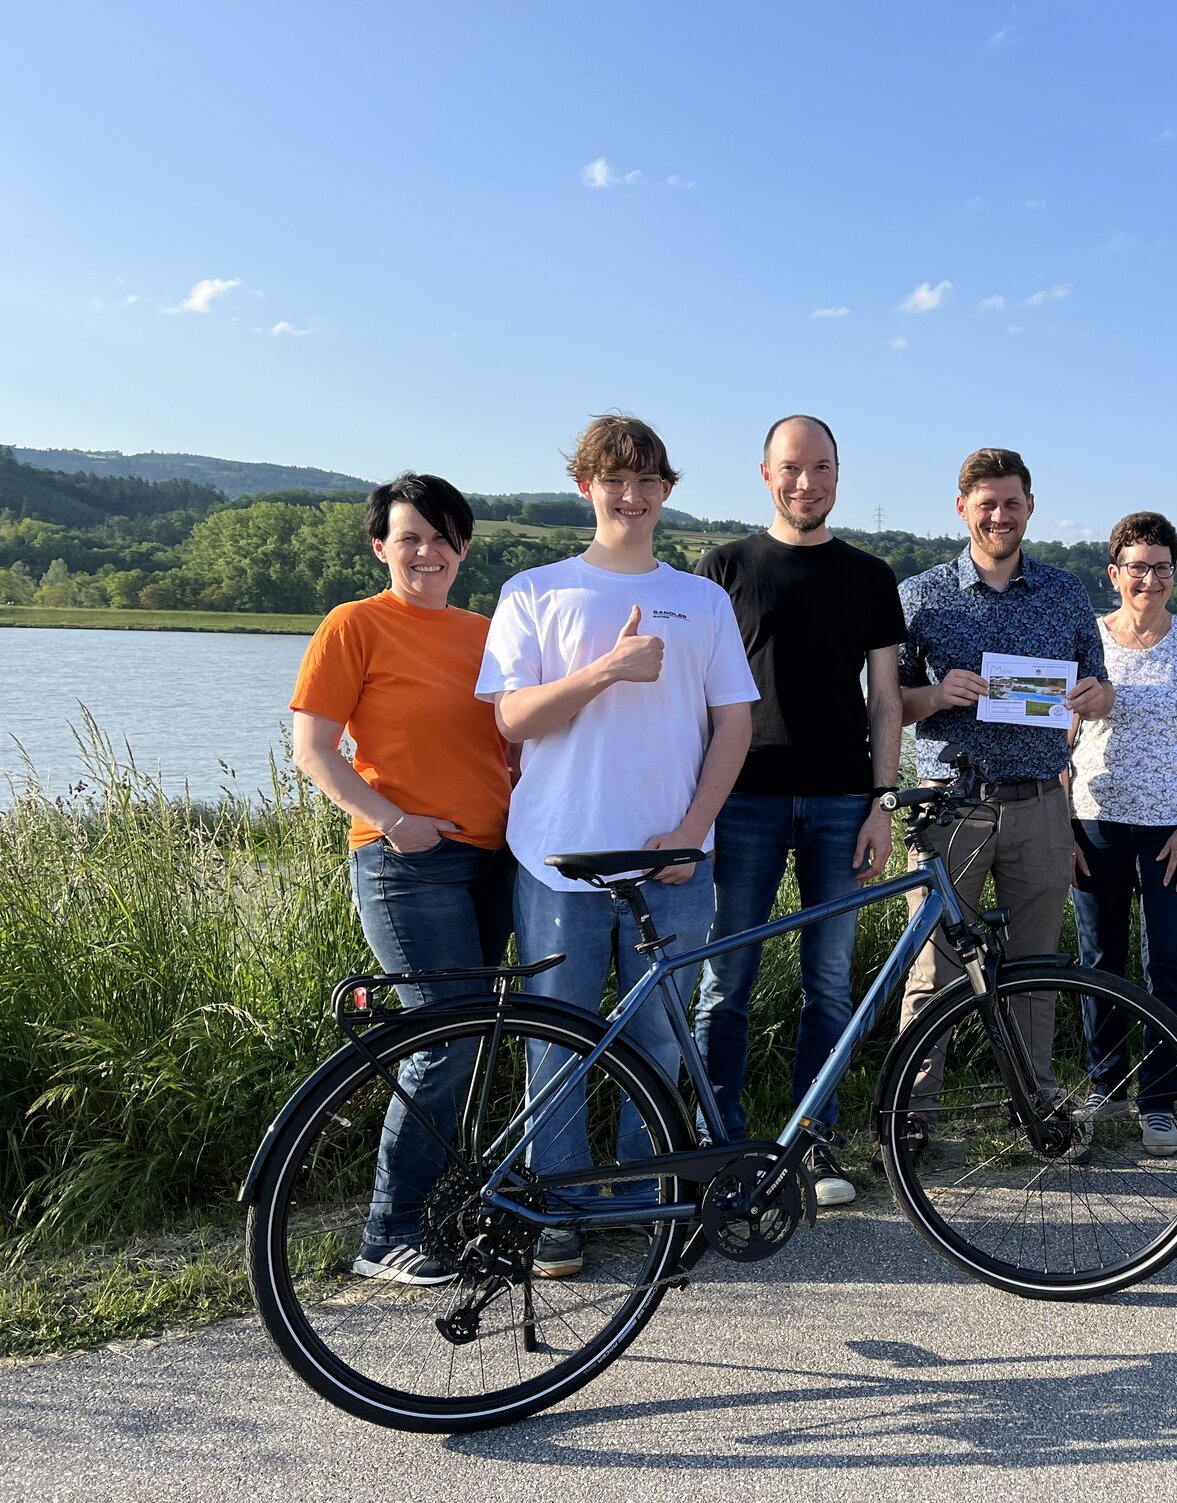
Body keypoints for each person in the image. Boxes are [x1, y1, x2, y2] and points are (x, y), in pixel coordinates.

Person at [478, 415, 758, 1276]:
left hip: (670, 859)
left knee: (657, 1043)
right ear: (585, 487)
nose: (630, 497)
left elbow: (734, 727)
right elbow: (510, 717)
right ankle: (557, 1209)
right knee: (555, 1038)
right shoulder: (534, 589)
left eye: (646, 482)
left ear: (666, 492)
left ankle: (644, 1201)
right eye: (613, 480)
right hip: (556, 856)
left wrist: (692, 831)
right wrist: (604, 670)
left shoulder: (704, 600)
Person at [289, 472, 514, 1286]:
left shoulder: (485, 631)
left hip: (494, 859)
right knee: (440, 1036)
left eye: (444, 537)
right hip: (406, 862)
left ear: (463, 547)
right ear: (381, 545)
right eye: (410, 537)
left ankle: (437, 1210)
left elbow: (510, 740)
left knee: (467, 1039)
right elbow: (312, 750)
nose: (428, 552)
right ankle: (388, 1234)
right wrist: (393, 821)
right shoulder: (355, 625)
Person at [692, 415, 906, 1207]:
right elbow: (694, 697)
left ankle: (815, 1144)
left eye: (820, 468)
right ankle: (722, 1147)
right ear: (765, 473)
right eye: (791, 468)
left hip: (842, 801)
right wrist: (699, 808)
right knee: (727, 982)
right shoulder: (722, 568)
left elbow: (885, 700)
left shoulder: (870, 575)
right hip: (743, 799)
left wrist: (883, 801)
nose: (805, 482)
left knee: (829, 982)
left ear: (838, 476)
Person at [895, 447, 1113, 1107]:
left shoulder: (1065, 591)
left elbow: (1101, 689)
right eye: (986, 504)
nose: (999, 515)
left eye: (1011, 503)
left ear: (1030, 507)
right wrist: (935, 696)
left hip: (1040, 803)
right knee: (933, 967)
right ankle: (914, 1112)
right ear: (963, 509)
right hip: (949, 807)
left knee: (1036, 967)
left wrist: (1092, 699)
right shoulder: (921, 595)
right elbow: (886, 706)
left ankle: (1034, 1101)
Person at [1069, 511, 1177, 1156]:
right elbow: (1058, 737)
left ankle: (1160, 1100)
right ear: (1115, 574)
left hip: (1171, 832)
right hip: (1094, 821)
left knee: (1169, 962)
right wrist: (1062, 825)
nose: (1150, 579)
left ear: (1173, 575)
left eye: (1161, 568)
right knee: (1099, 960)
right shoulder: (1088, 637)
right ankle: (1103, 1088)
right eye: (1138, 567)